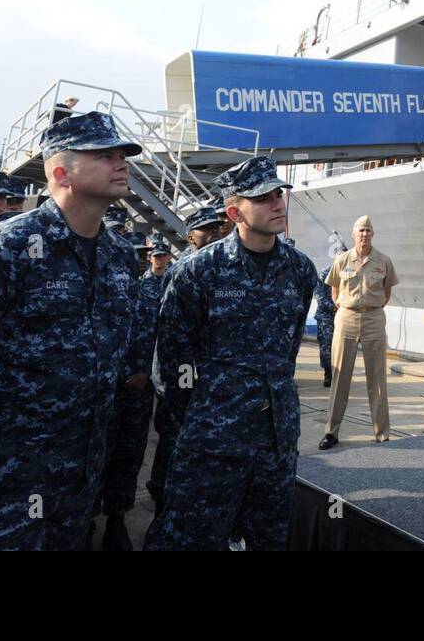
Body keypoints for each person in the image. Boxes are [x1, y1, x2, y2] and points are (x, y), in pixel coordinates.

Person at [0, 111, 144, 550]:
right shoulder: (4, 249)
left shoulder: (119, 257)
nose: (120, 164)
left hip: (73, 482)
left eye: (121, 155)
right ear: (61, 172)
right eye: (103, 155)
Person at [145, 157, 316, 551]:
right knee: (189, 537)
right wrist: (200, 419)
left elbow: (287, 350)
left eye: (278, 194)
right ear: (235, 211)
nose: (278, 204)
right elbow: (171, 361)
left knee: (268, 539)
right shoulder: (198, 271)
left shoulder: (299, 270)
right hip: (212, 439)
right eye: (263, 198)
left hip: (275, 439)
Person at [146, 207, 225, 507]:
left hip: (205, 382)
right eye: (207, 228)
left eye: (218, 227)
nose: (216, 231)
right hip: (178, 382)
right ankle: (161, 497)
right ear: (191, 236)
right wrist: (172, 386)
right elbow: (170, 337)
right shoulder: (186, 269)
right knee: (172, 444)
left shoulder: (220, 267)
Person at [94, 229, 159, 551]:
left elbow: (163, 338)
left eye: (141, 254)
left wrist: (147, 373)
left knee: (129, 456)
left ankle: (117, 519)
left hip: (139, 393)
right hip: (103, 391)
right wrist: (121, 375)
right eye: (131, 254)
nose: (136, 260)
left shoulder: (150, 293)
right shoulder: (99, 288)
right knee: (95, 456)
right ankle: (87, 520)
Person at [318, 215, 398, 449]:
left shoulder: (383, 261)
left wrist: (370, 307)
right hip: (347, 316)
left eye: (368, 230)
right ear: (353, 234)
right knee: (340, 375)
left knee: (377, 377)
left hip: (374, 317)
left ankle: (382, 432)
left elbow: (386, 294)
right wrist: (349, 307)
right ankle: (331, 432)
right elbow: (334, 292)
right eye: (361, 230)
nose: (364, 234)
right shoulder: (342, 261)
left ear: (373, 234)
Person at [313, 267, 336, 387]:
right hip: (326, 316)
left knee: (343, 348)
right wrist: (334, 307)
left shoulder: (350, 271)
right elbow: (319, 294)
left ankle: (340, 375)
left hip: (344, 315)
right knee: (326, 346)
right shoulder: (325, 272)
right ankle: (328, 373)